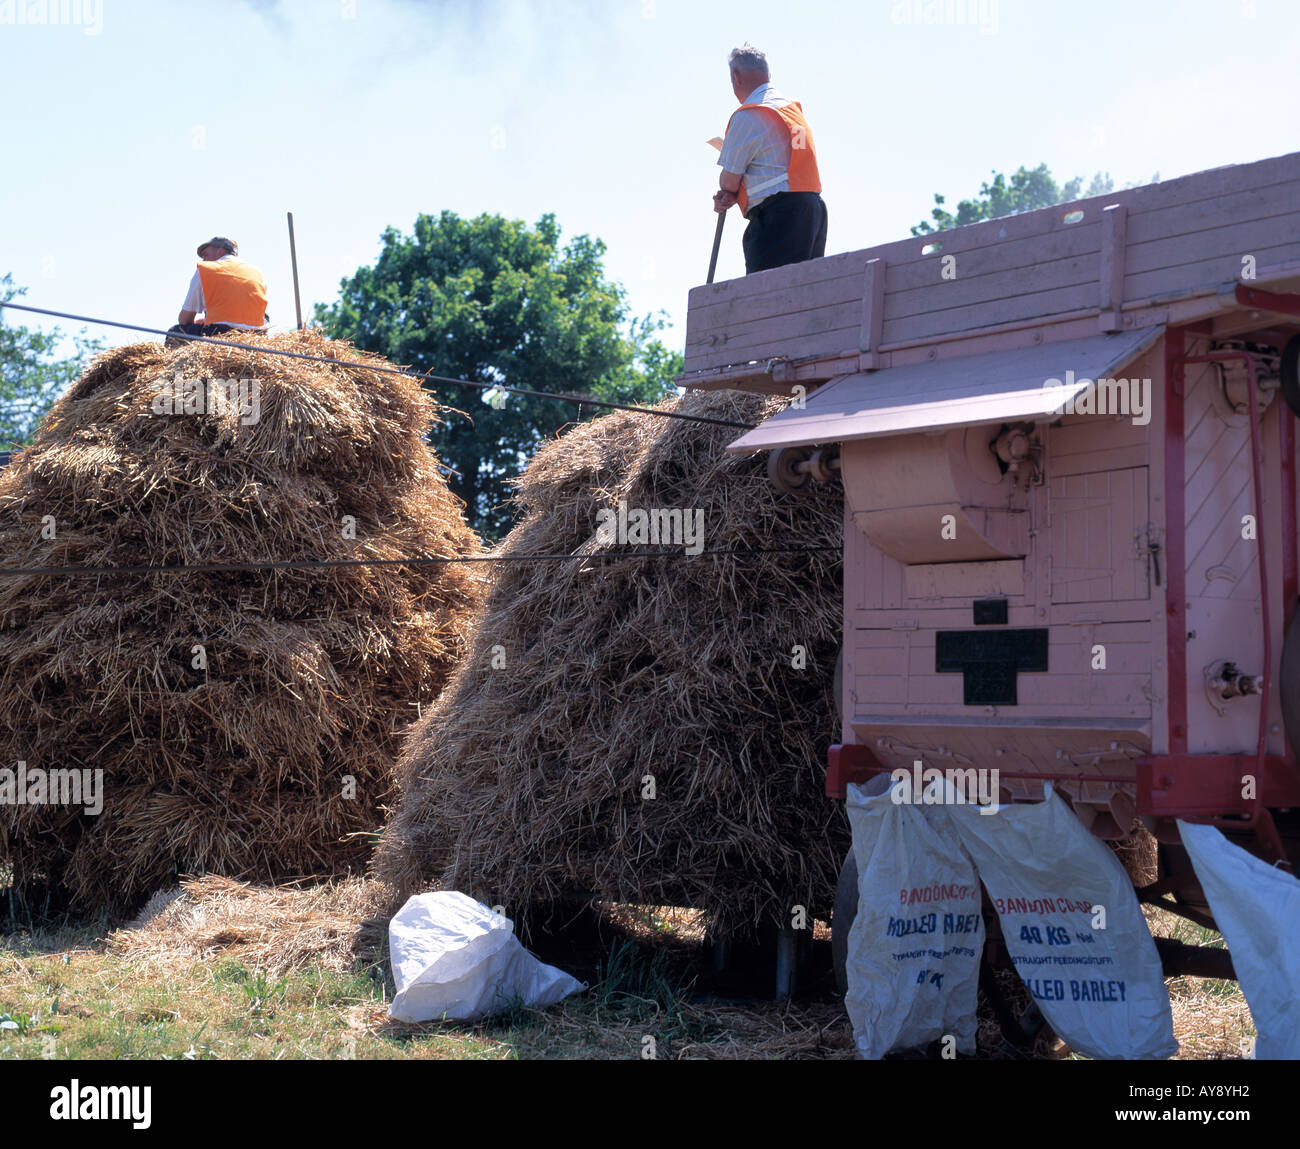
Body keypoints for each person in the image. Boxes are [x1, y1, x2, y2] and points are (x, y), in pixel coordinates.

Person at [714, 46, 827, 275]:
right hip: (813, 211)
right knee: (806, 293)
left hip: (778, 217)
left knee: (769, 299)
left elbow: (729, 181)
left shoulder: (748, 115)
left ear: (736, 76)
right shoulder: (792, 111)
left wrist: (727, 193)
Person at [165, 236, 269, 347]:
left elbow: (185, 319)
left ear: (220, 251)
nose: (203, 260)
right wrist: (209, 319)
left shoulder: (205, 269)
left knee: (174, 333)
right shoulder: (256, 272)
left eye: (206, 255)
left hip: (219, 333)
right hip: (256, 335)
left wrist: (205, 324)